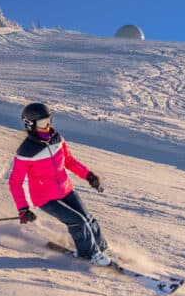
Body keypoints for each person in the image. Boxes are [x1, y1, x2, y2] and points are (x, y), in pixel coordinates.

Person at [8, 102, 112, 265]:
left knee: (88, 218)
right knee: (78, 221)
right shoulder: (26, 152)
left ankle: (102, 248)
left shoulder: (57, 138)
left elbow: (69, 161)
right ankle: (89, 254)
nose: (48, 126)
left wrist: (89, 175)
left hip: (66, 189)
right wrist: (23, 208)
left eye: (49, 120)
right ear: (30, 125)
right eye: (43, 123)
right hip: (45, 198)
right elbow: (15, 182)